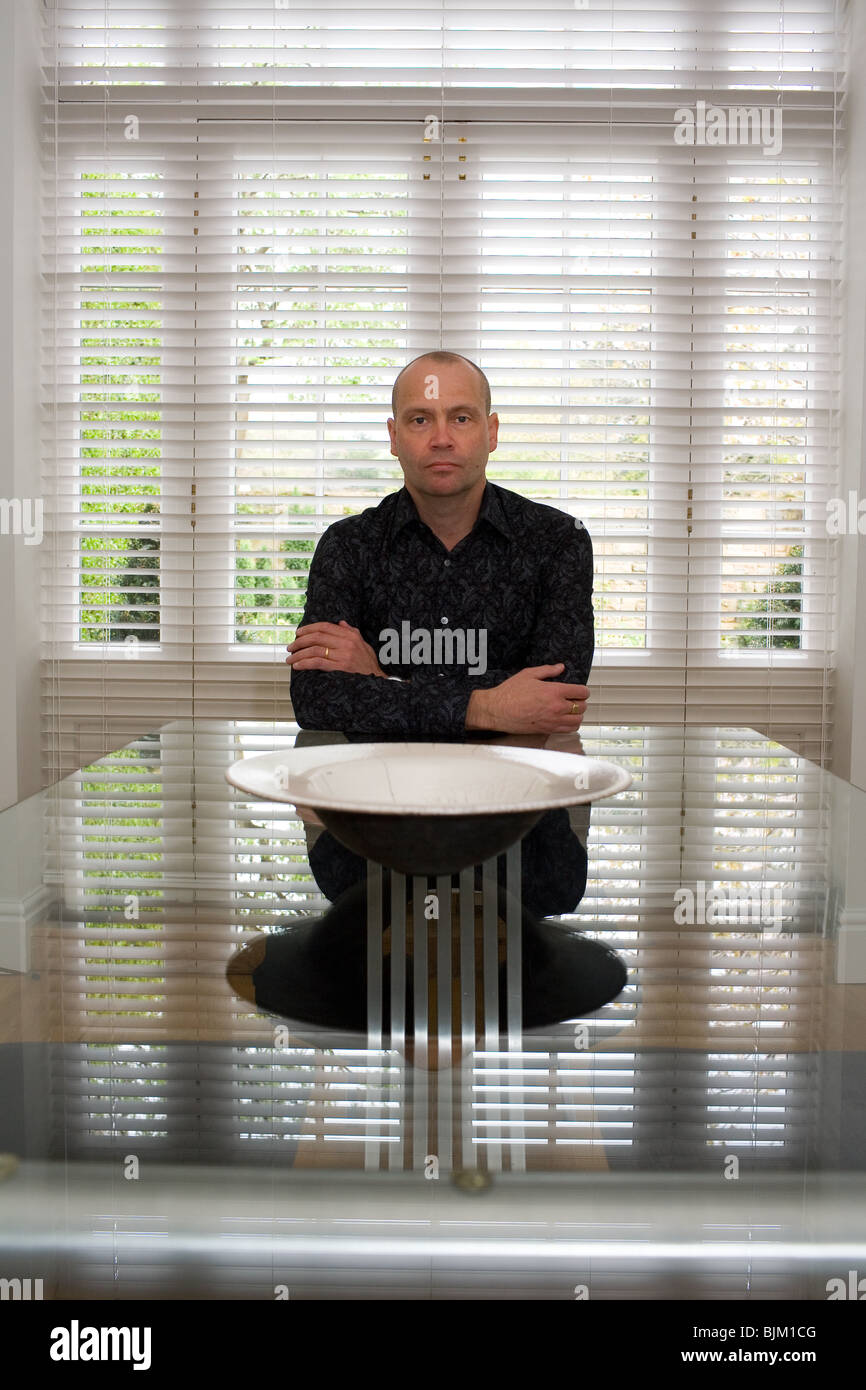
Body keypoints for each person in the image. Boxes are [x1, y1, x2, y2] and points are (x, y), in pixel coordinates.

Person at [286, 350, 593, 740]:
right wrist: (488, 706)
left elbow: (556, 700)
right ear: (394, 437)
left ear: (492, 432)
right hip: (375, 788)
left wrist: (380, 680)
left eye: (461, 418)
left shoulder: (557, 541)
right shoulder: (348, 546)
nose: (442, 439)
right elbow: (315, 699)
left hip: (518, 788)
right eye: (420, 420)